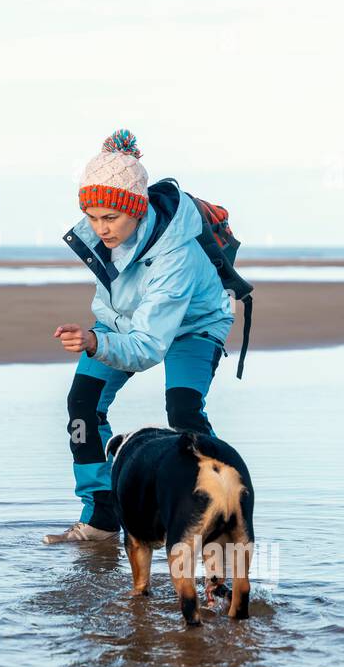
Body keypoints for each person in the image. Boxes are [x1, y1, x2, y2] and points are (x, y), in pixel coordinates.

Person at [45, 129, 235, 544]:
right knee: (81, 406)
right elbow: (122, 306)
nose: (100, 228)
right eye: (92, 217)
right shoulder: (101, 232)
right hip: (122, 322)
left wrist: (95, 343)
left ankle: (221, 512)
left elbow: (149, 346)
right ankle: (101, 516)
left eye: (110, 218)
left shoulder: (176, 255)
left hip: (195, 325)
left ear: (138, 209)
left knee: (183, 412)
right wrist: (101, 336)